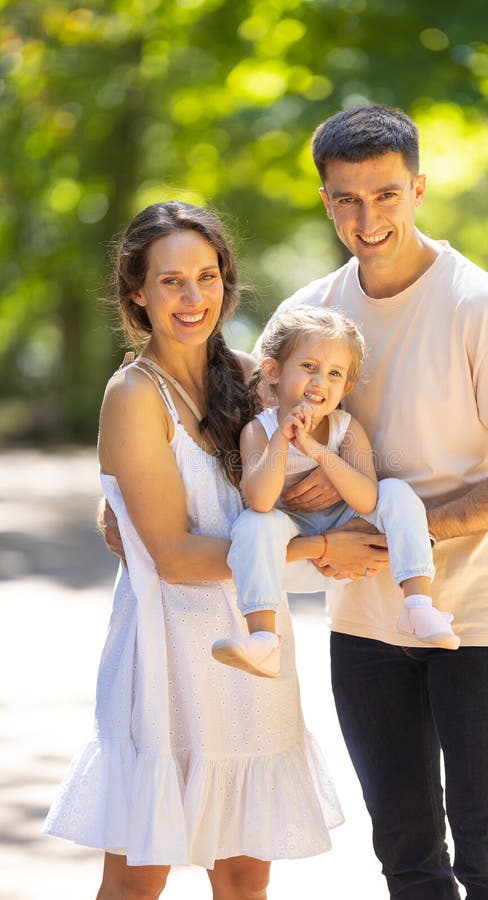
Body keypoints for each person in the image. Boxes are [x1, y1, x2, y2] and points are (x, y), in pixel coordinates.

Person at [257, 105, 488, 899]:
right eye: (348, 200)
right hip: (362, 628)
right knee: (406, 862)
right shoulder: (309, 319)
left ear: (419, 189)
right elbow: (240, 440)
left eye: (387, 195)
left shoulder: (482, 308)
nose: (369, 218)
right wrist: (126, 501)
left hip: (477, 624)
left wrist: (409, 530)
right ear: (326, 201)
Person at [43, 201, 342, 900]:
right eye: (171, 281)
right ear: (137, 293)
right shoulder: (133, 396)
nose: (192, 297)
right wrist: (316, 550)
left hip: (252, 651)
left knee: (243, 876)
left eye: (206, 277)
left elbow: (316, 462)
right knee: (138, 879)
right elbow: (174, 557)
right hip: (167, 656)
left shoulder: (249, 376)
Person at [211, 304, 458, 678]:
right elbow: (259, 501)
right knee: (252, 525)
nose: (320, 381)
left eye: (334, 373)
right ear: (273, 371)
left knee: (395, 492)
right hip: (293, 551)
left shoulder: (346, 427)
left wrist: (317, 451)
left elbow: (368, 500)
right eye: (308, 367)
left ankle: (418, 604)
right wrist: (284, 437)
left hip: (346, 534)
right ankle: (263, 639)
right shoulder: (258, 431)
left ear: (345, 388)